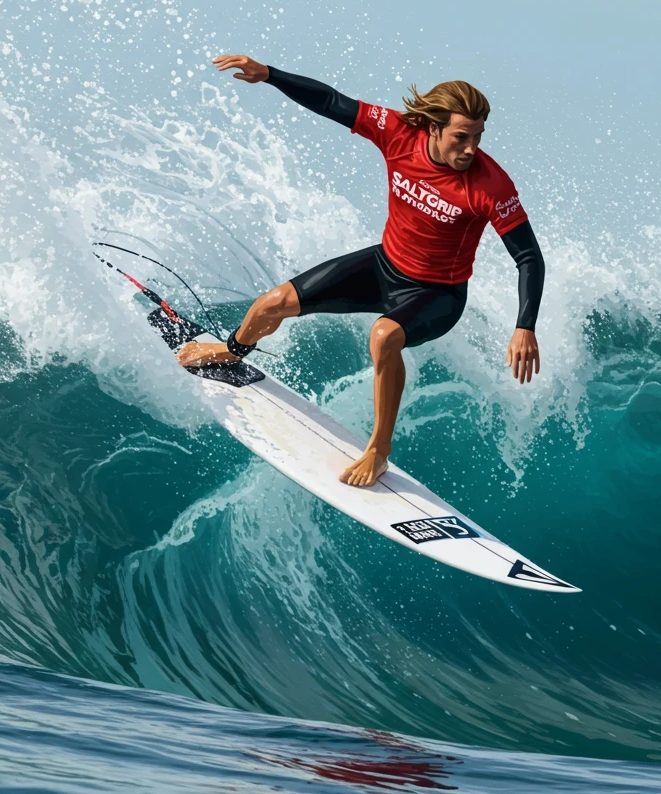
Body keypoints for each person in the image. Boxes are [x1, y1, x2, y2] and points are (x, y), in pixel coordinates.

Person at [177, 55, 545, 488]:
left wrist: (525, 326)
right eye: (461, 137)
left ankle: (378, 451)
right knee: (271, 304)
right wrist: (271, 75)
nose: (471, 149)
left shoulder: (491, 185)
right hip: (383, 266)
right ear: (433, 128)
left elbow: (528, 257)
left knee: (384, 336)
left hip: (436, 294)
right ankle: (232, 351)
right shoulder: (399, 133)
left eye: (478, 137)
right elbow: (332, 101)